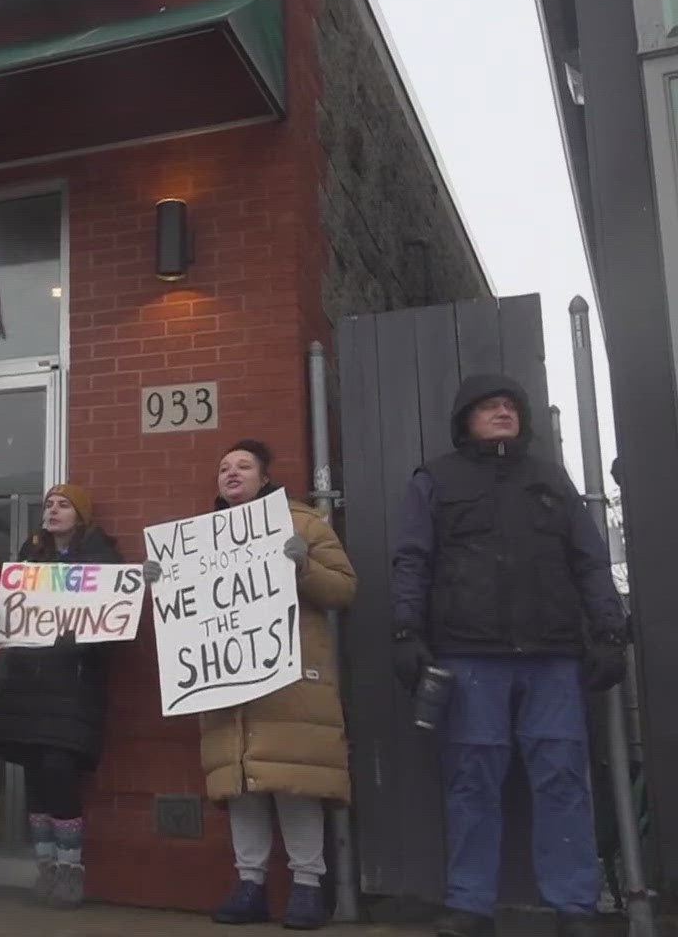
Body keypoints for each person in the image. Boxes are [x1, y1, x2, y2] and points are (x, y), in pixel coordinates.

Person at [391, 378, 627, 937]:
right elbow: (412, 559)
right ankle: (470, 906)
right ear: (464, 418)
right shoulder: (435, 480)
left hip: (554, 657)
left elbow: (590, 560)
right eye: (489, 406)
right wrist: (405, 632)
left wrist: (610, 632)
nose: (502, 412)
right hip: (469, 658)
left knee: (564, 779)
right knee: (471, 781)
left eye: (509, 406)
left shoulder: (551, 478)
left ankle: (576, 908)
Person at [186, 441, 355, 931]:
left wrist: (303, 565)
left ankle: (307, 885)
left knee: (294, 779)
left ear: (266, 478)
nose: (231, 473)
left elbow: (344, 588)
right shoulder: (202, 538)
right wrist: (162, 582)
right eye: (223, 467)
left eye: (242, 466)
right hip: (229, 680)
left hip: (291, 679)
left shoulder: (302, 523)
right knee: (242, 783)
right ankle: (250, 883)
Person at [0, 484, 120, 908]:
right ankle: (46, 866)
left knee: (59, 770)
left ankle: (70, 868)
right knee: (37, 774)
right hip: (29, 686)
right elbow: (13, 613)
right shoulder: (29, 558)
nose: (53, 511)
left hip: (72, 686)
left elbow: (112, 614)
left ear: (82, 515)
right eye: (49, 505)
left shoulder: (100, 558)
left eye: (63, 505)